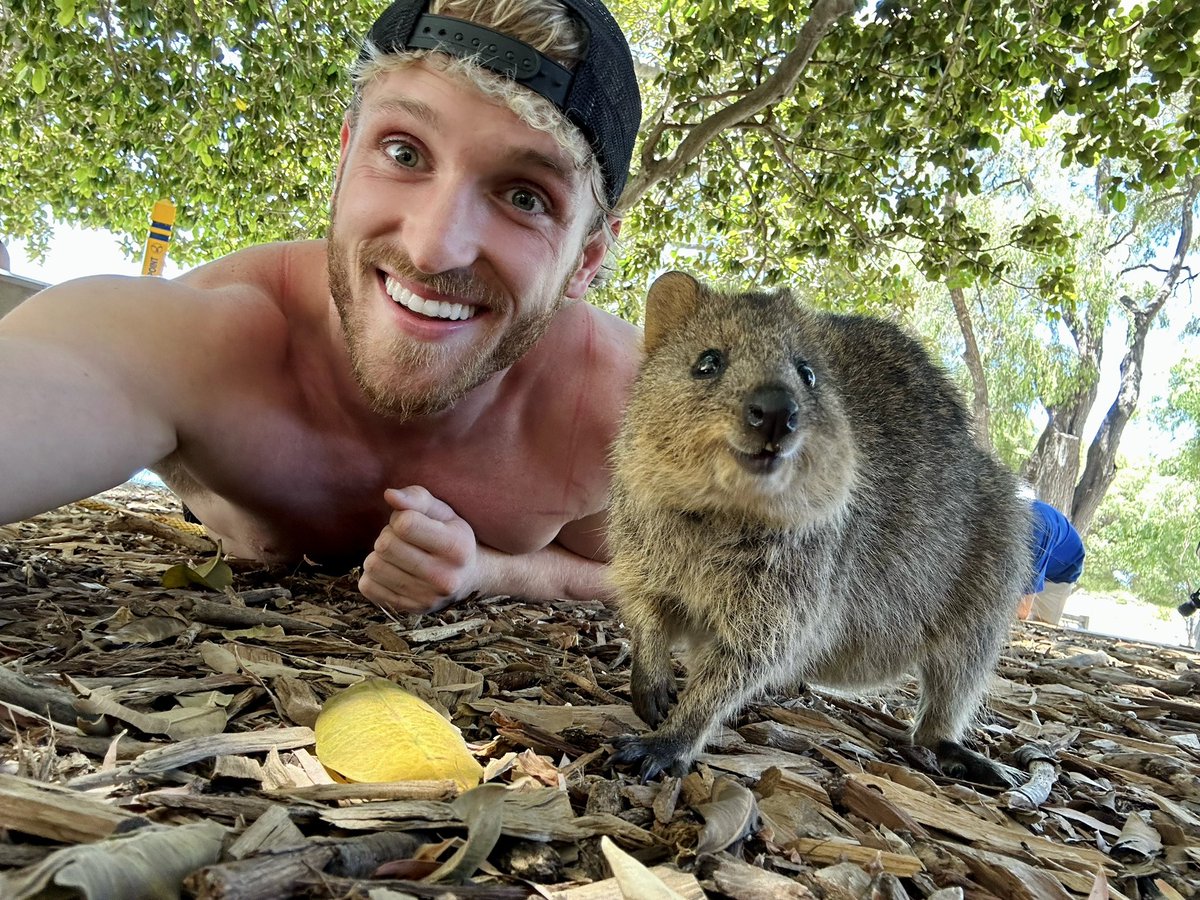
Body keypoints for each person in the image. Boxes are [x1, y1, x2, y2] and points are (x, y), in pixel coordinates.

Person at [0, 0, 643, 615]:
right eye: (404, 152)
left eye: (525, 197)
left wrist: (490, 570)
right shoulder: (199, 340)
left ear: (586, 259)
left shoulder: (626, 418)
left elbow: (686, 580)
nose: (434, 247)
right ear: (344, 158)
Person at [1017, 500, 1086, 624]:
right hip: (1045, 542)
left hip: (1062, 572)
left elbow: (1022, 611)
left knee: (1040, 627)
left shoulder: (1035, 534)